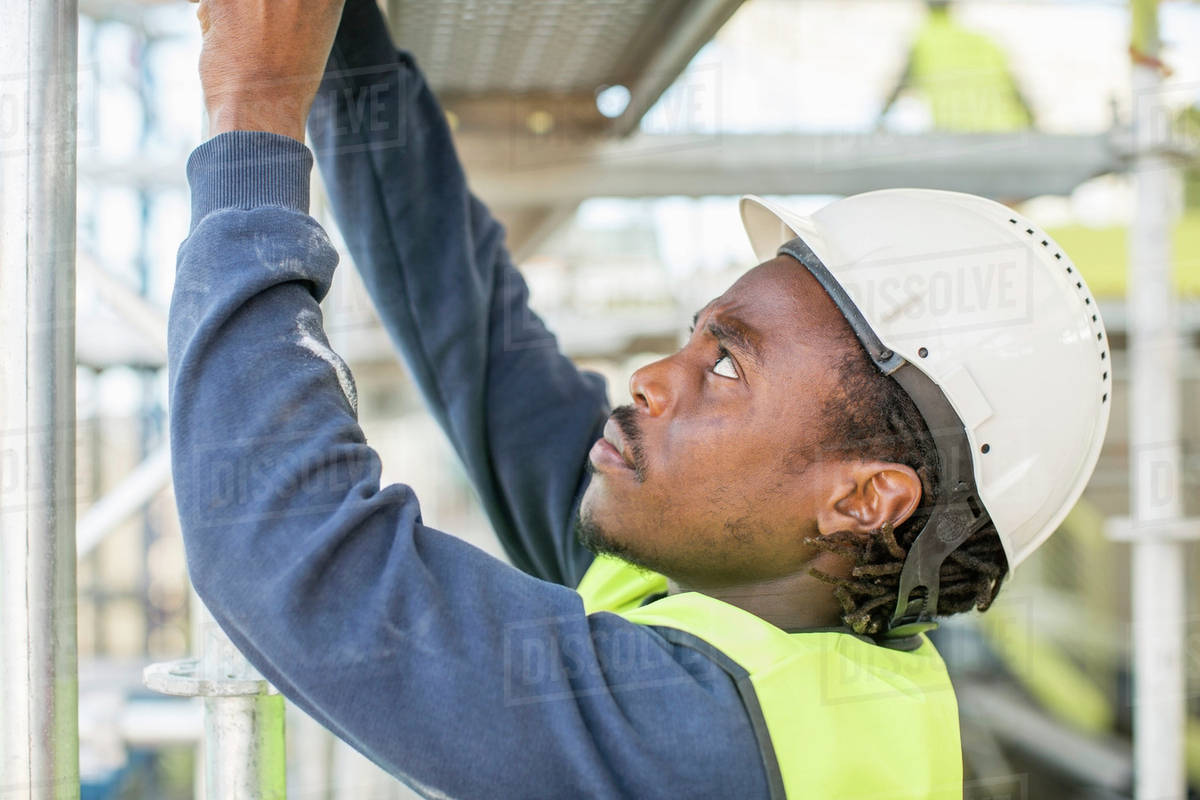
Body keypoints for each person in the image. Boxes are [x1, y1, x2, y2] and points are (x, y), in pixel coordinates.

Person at [172, 1, 1110, 797]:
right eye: (697, 336)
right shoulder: (754, 607)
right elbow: (472, 332)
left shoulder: (709, 744)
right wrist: (343, 47)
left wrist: (253, 106)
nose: (656, 379)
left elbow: (290, 550)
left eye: (730, 367)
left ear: (864, 499)